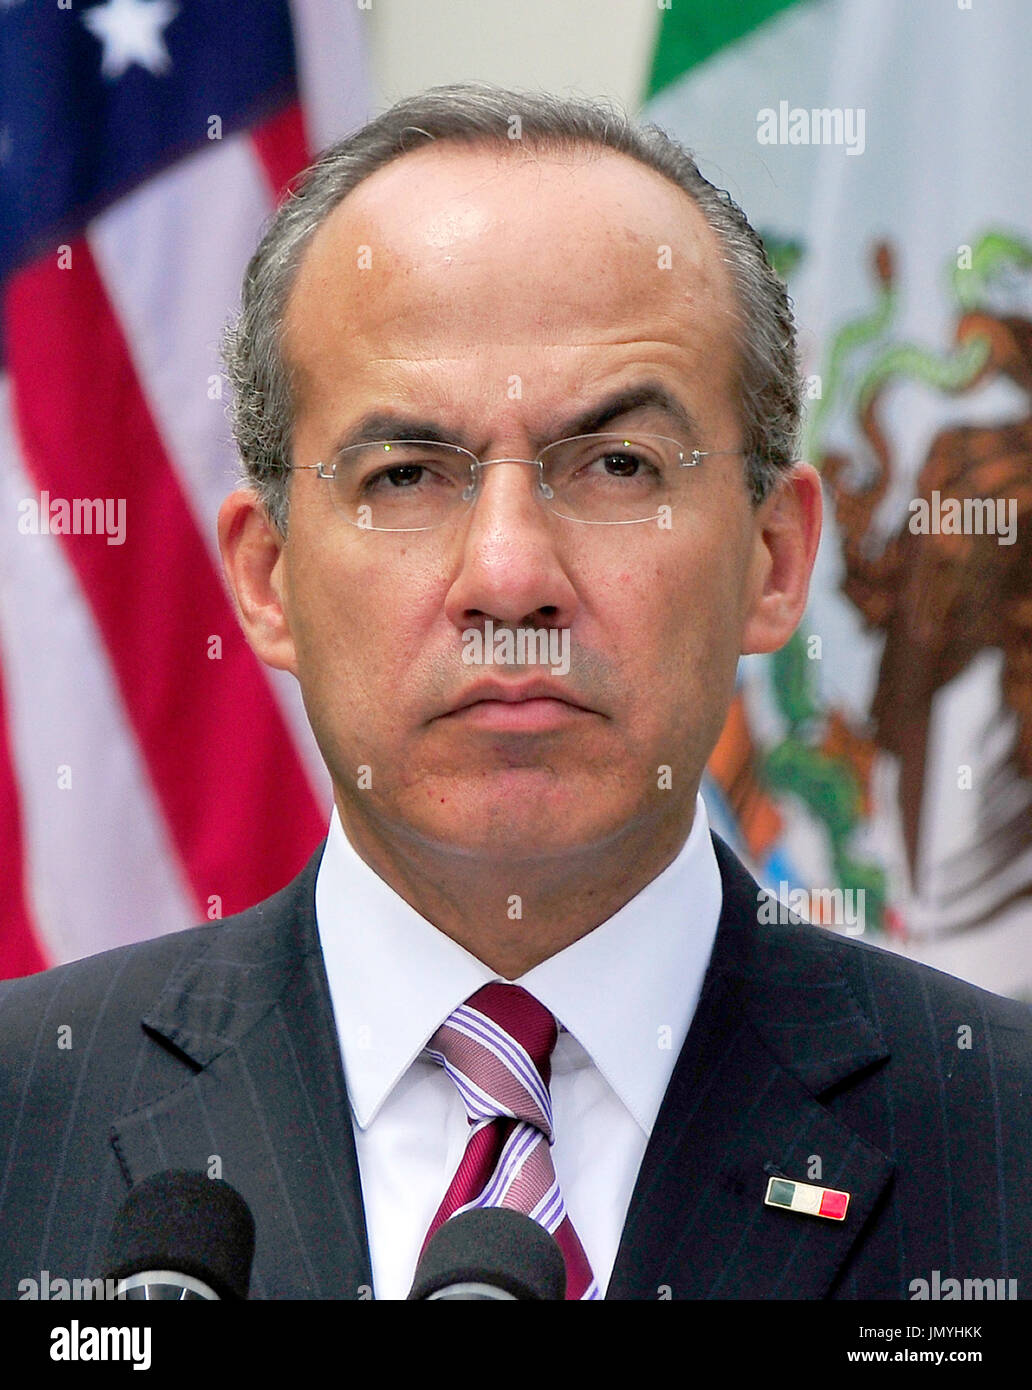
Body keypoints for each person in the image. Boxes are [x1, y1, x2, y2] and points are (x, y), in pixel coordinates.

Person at [1, 84, 1029, 1302]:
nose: (508, 576)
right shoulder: (24, 1119)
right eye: (405, 475)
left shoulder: (1001, 1139)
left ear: (774, 558)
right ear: (268, 578)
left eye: (617, 465)